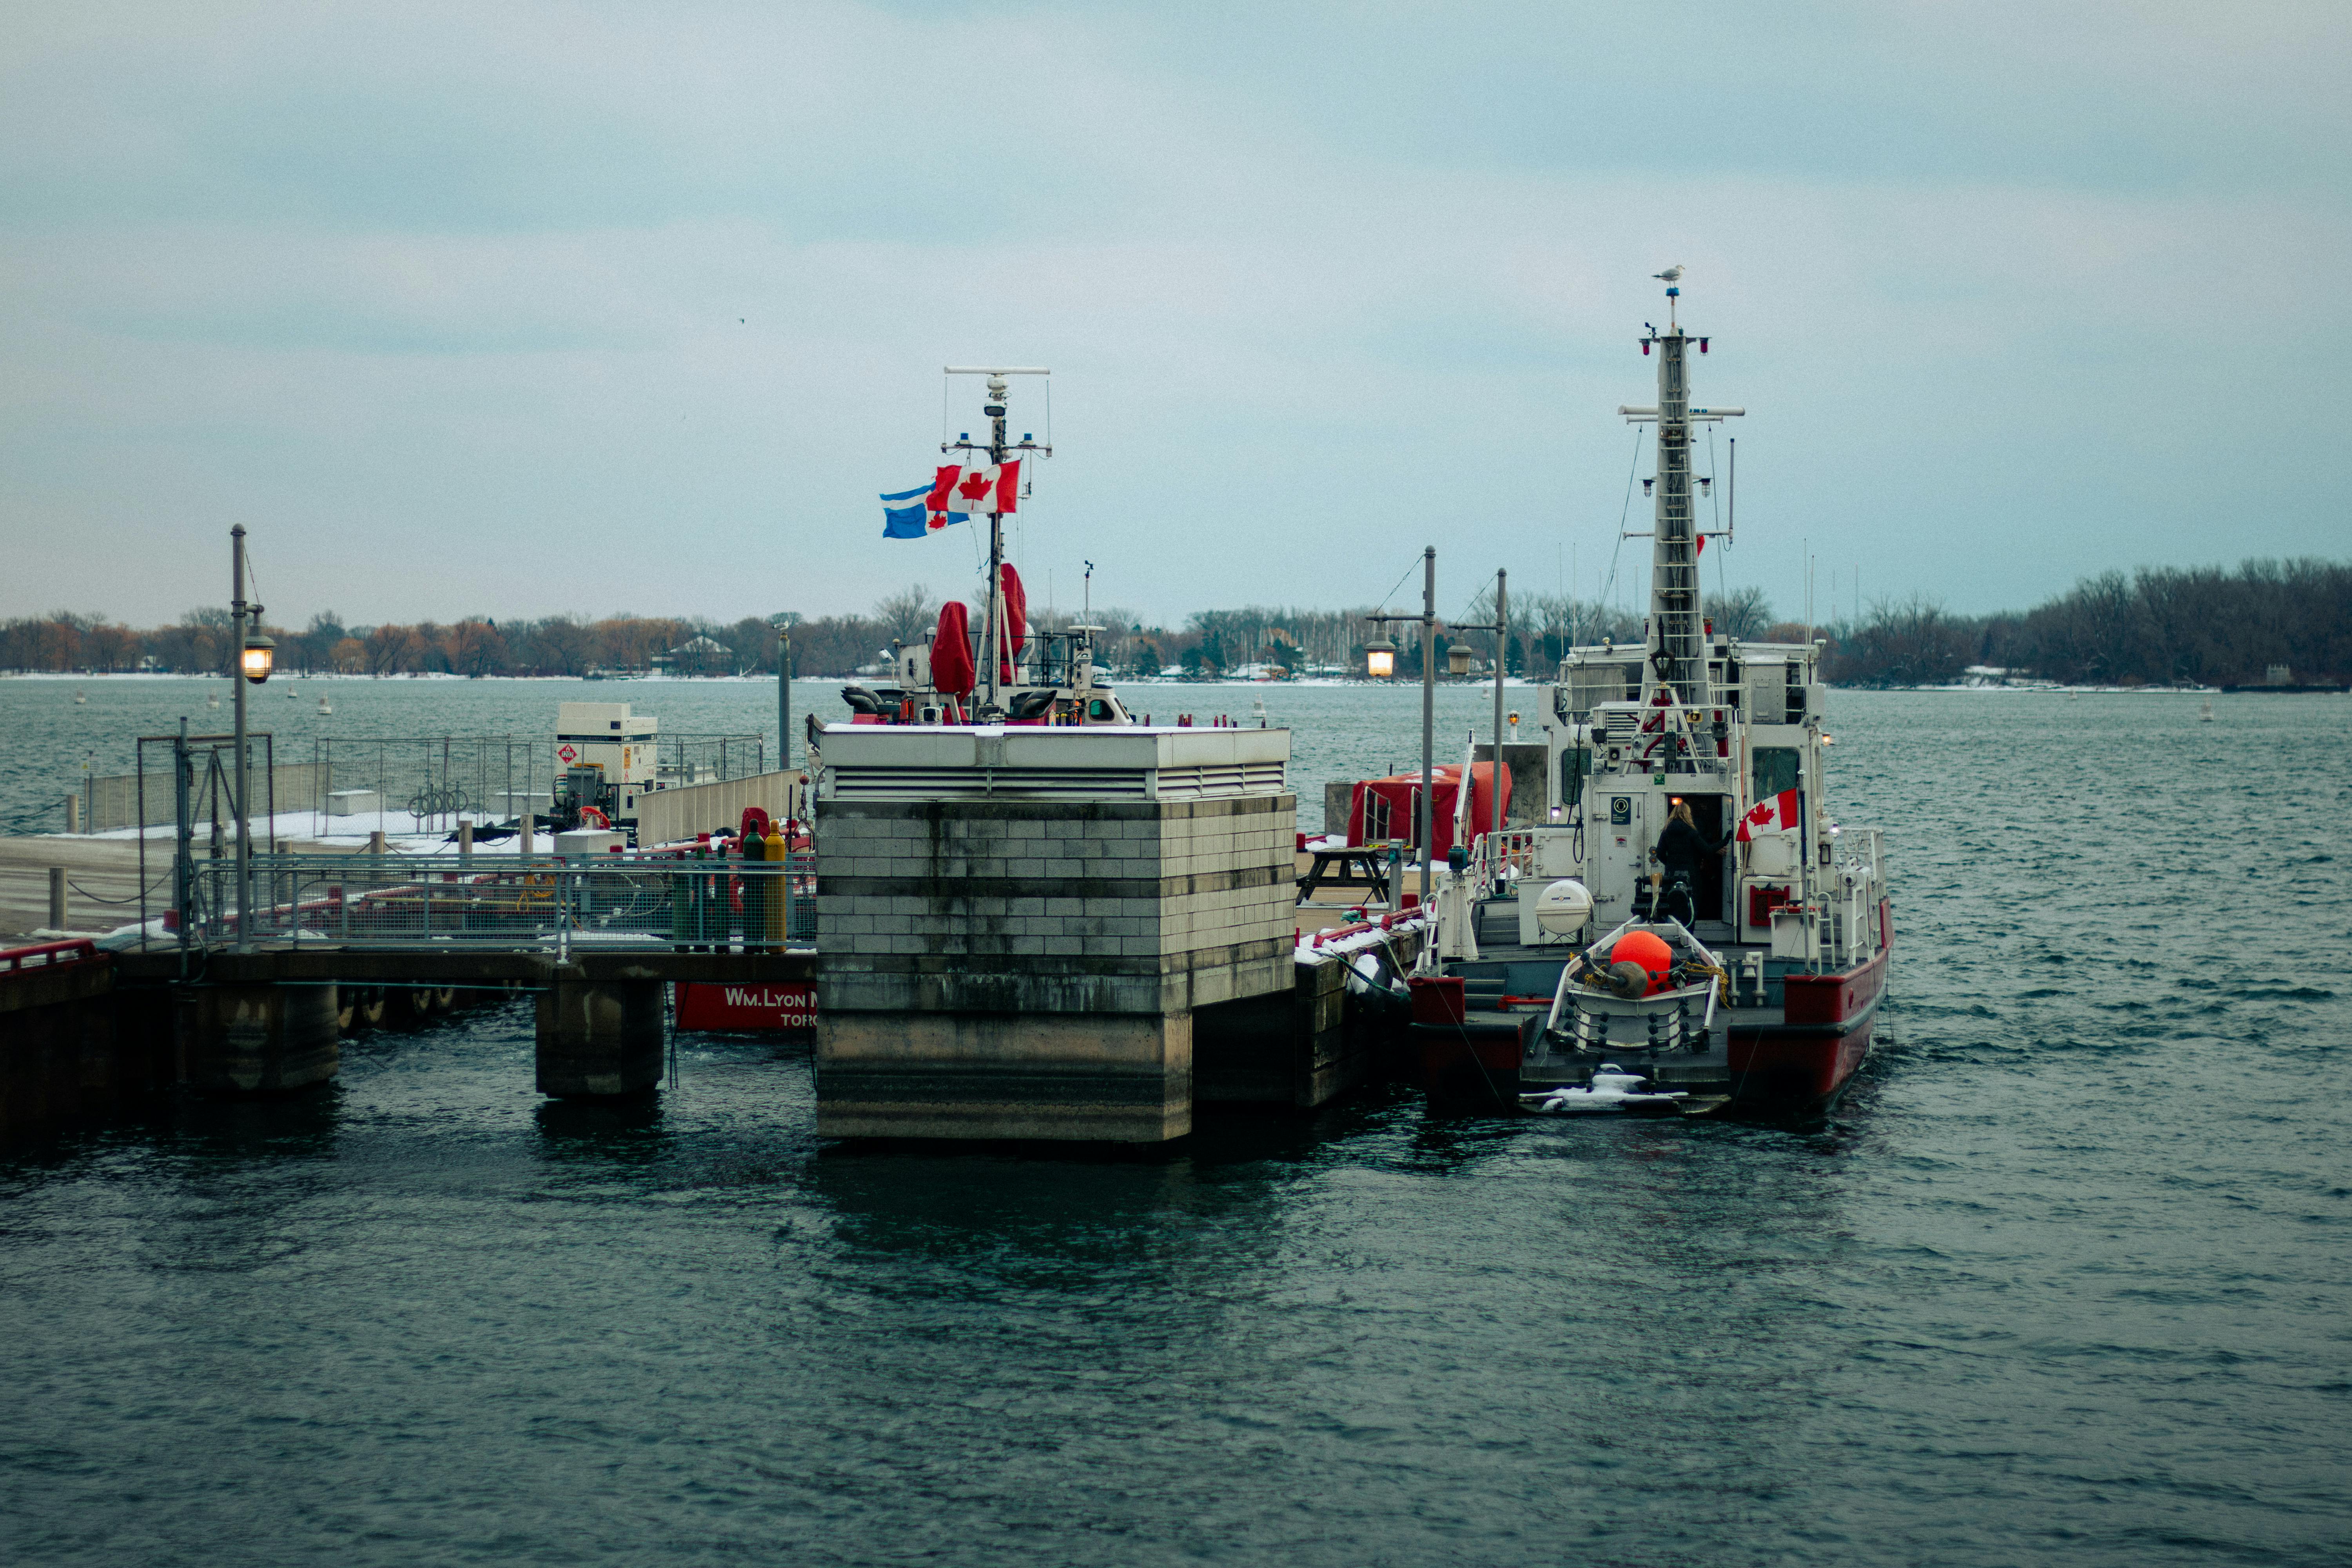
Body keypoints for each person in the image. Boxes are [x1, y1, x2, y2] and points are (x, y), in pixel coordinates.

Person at [1648, 799, 1730, 924]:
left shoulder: (1666, 831)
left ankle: (1672, 930)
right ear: (1687, 814)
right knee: (1691, 905)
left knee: (1671, 903)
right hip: (1691, 875)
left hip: (1671, 875)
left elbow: (1659, 853)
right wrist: (1725, 841)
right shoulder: (1691, 832)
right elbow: (1707, 850)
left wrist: (1670, 864)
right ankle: (1687, 933)